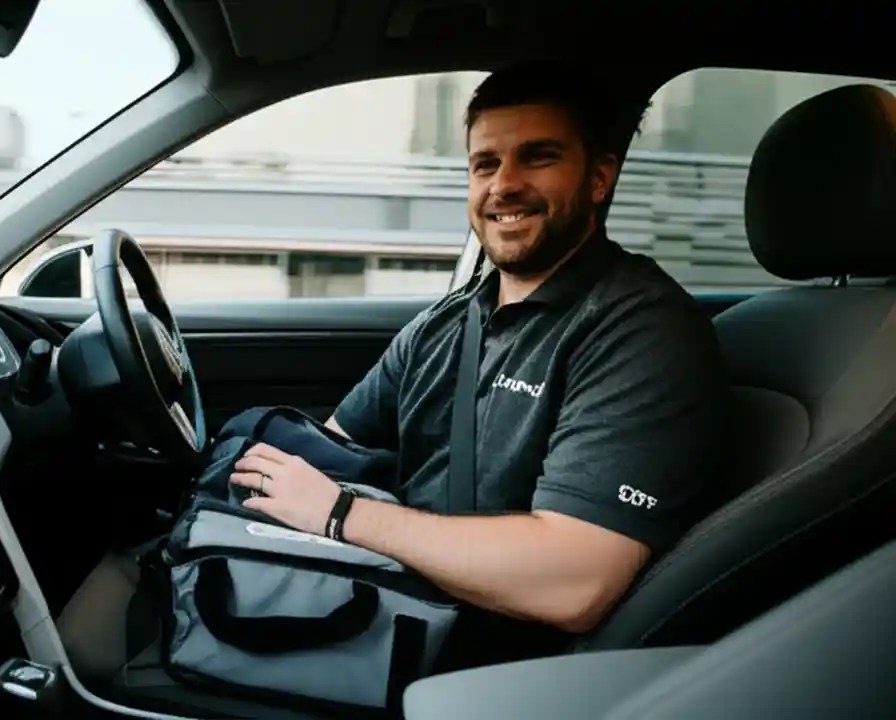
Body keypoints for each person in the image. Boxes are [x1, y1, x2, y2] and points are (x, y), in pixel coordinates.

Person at [58, 61, 729, 679]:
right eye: (485, 163)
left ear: (600, 177)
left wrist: (342, 514)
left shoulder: (640, 330)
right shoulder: (447, 324)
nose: (504, 185)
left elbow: (575, 582)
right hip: (394, 600)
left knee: (105, 657)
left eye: (540, 158)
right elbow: (335, 447)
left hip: (491, 662)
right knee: (133, 572)